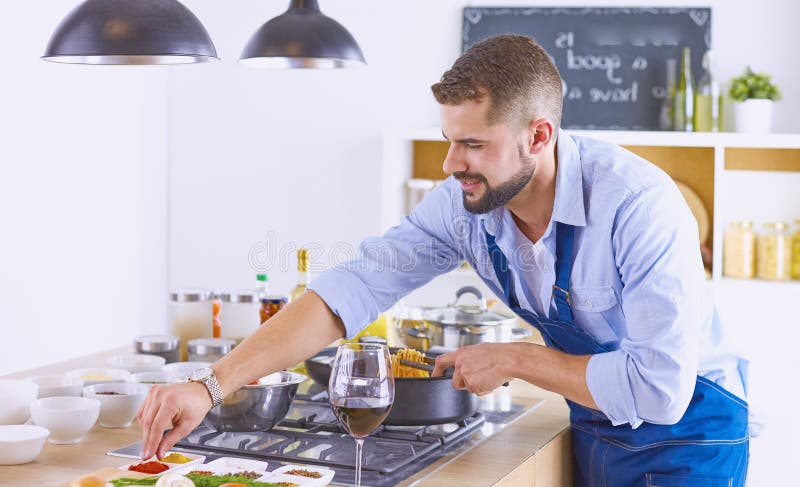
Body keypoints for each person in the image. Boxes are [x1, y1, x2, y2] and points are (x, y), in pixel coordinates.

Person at [137, 35, 749, 485]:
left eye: (473, 144)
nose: (450, 163)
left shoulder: (637, 206)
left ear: (539, 137)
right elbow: (350, 290)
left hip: (691, 434)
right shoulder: (462, 207)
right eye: (449, 140)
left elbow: (660, 390)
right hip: (595, 424)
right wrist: (211, 385)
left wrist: (513, 358)